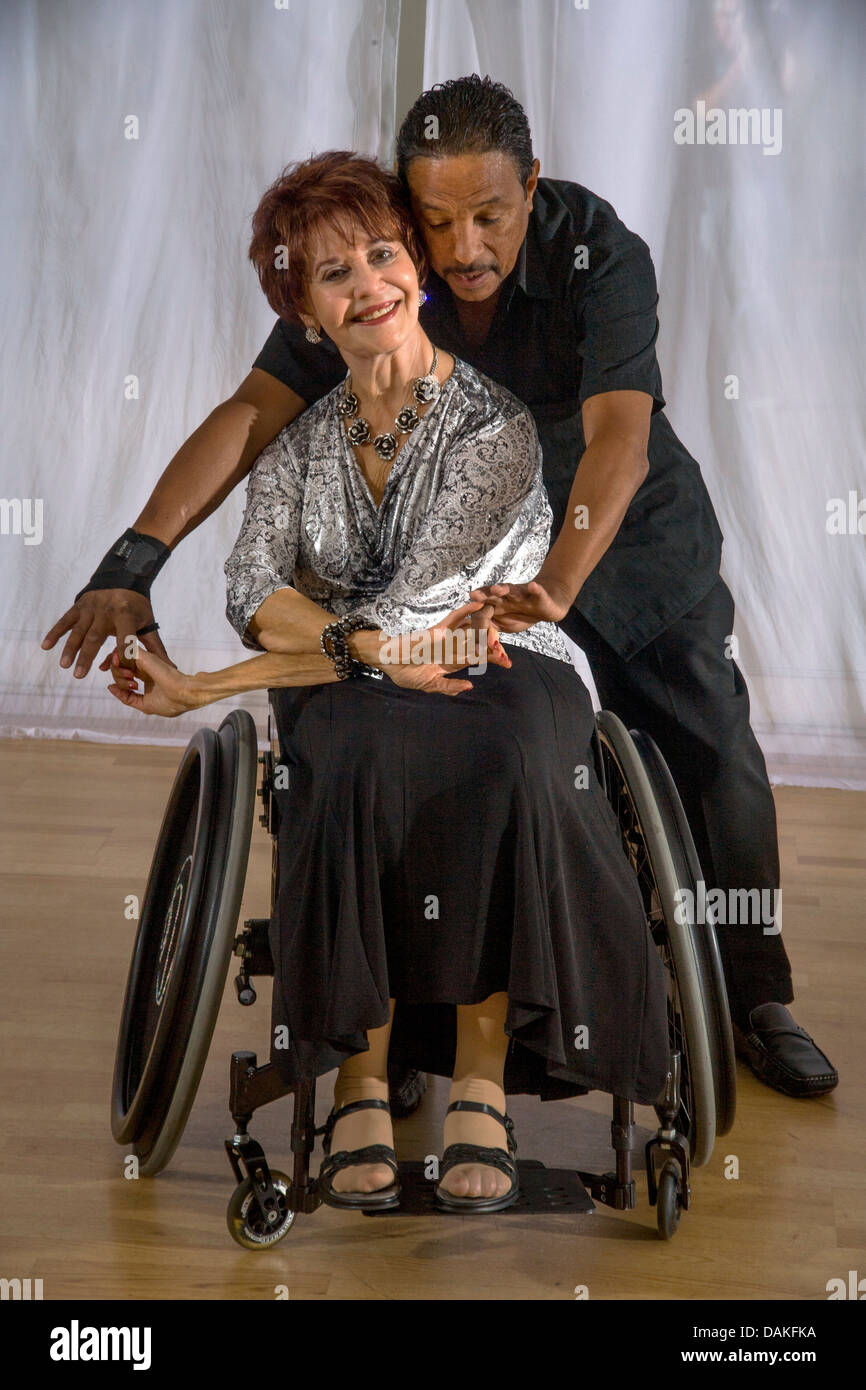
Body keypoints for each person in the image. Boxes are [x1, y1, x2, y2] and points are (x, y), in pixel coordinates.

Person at [42, 75, 836, 1099]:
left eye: (489, 217)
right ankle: (410, 1025)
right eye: (437, 221)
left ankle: (751, 995)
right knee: (428, 744)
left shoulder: (596, 253)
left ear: (532, 188)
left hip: (614, 536)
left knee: (707, 742)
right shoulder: (371, 265)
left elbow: (619, 436)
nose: (461, 248)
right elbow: (253, 412)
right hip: (445, 578)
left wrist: (554, 583)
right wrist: (131, 561)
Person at [106, 151, 671, 1214]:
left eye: (379, 253)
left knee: (501, 753)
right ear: (305, 315)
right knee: (353, 746)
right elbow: (251, 585)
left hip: (505, 664)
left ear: (411, 263)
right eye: (331, 274)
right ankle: (359, 1075)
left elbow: (420, 626)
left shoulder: (492, 430)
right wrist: (348, 650)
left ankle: (480, 1080)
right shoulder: (302, 446)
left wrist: (209, 687)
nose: (367, 283)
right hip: (360, 680)